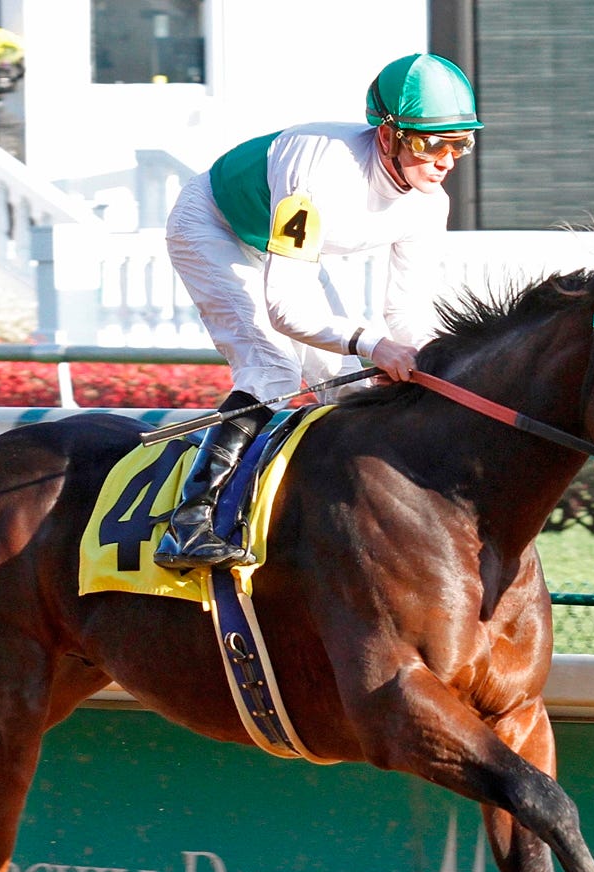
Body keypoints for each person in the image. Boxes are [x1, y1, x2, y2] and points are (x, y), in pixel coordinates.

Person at [153, 52, 483, 571]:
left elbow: (407, 312)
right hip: (213, 226)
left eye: (459, 143)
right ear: (387, 137)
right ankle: (190, 522)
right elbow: (286, 311)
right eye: (429, 143)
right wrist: (376, 346)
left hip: (283, 249)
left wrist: (422, 361)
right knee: (272, 369)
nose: (446, 160)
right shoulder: (320, 170)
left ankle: (344, 520)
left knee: (347, 385)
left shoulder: (428, 203)